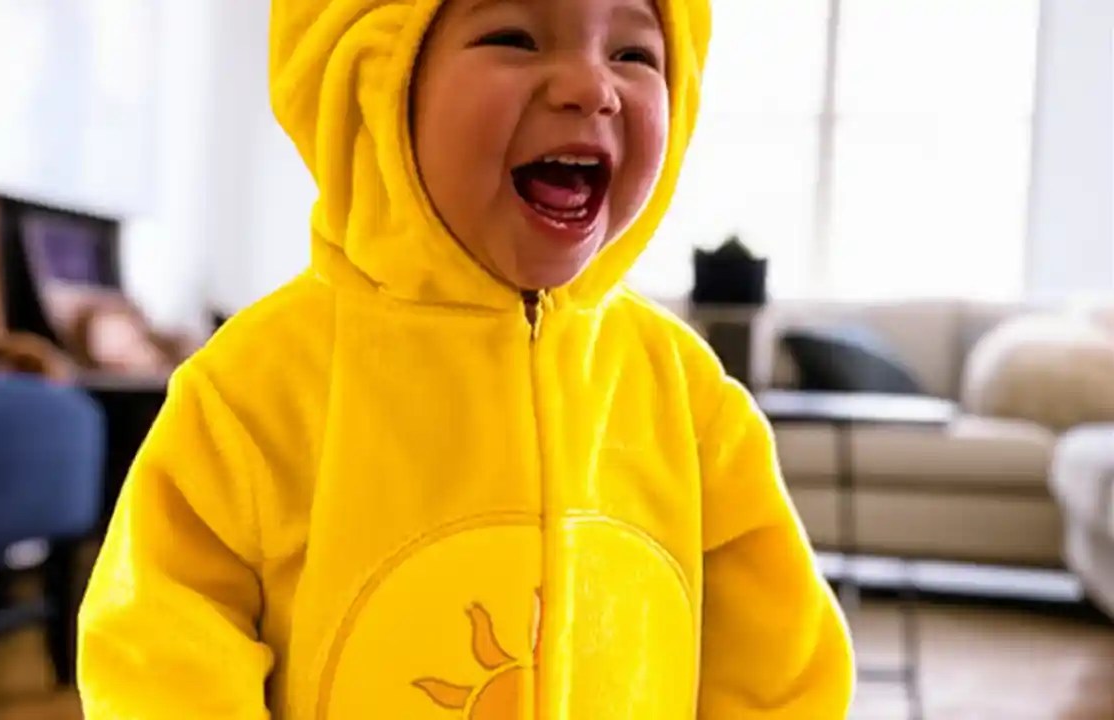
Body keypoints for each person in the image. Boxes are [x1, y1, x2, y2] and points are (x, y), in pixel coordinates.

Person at [77, 0, 856, 717]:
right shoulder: (255, 389)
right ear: (379, 82)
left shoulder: (687, 398)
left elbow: (778, 671)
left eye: (634, 54)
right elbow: (161, 649)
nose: (591, 87)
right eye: (514, 38)